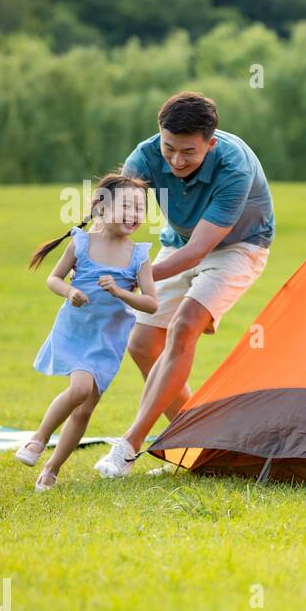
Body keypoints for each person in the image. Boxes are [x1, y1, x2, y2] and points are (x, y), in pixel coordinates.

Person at [95, 91, 275, 478]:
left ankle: (129, 446)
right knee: (143, 344)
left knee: (183, 327)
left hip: (237, 247)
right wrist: (93, 256)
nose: (176, 161)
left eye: (188, 152)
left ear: (210, 143)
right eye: (168, 148)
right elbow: (117, 217)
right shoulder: (143, 157)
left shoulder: (234, 167)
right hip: (178, 242)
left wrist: (130, 275)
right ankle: (194, 449)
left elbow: (198, 251)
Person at [16, 173, 158, 490]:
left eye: (140, 208)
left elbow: (151, 303)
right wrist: (69, 293)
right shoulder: (81, 243)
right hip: (75, 330)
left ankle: (52, 469)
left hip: (107, 341)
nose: (135, 215)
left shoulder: (139, 255)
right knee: (80, 390)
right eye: (127, 206)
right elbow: (53, 278)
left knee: (85, 409)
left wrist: (123, 293)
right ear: (102, 208)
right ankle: (38, 439)